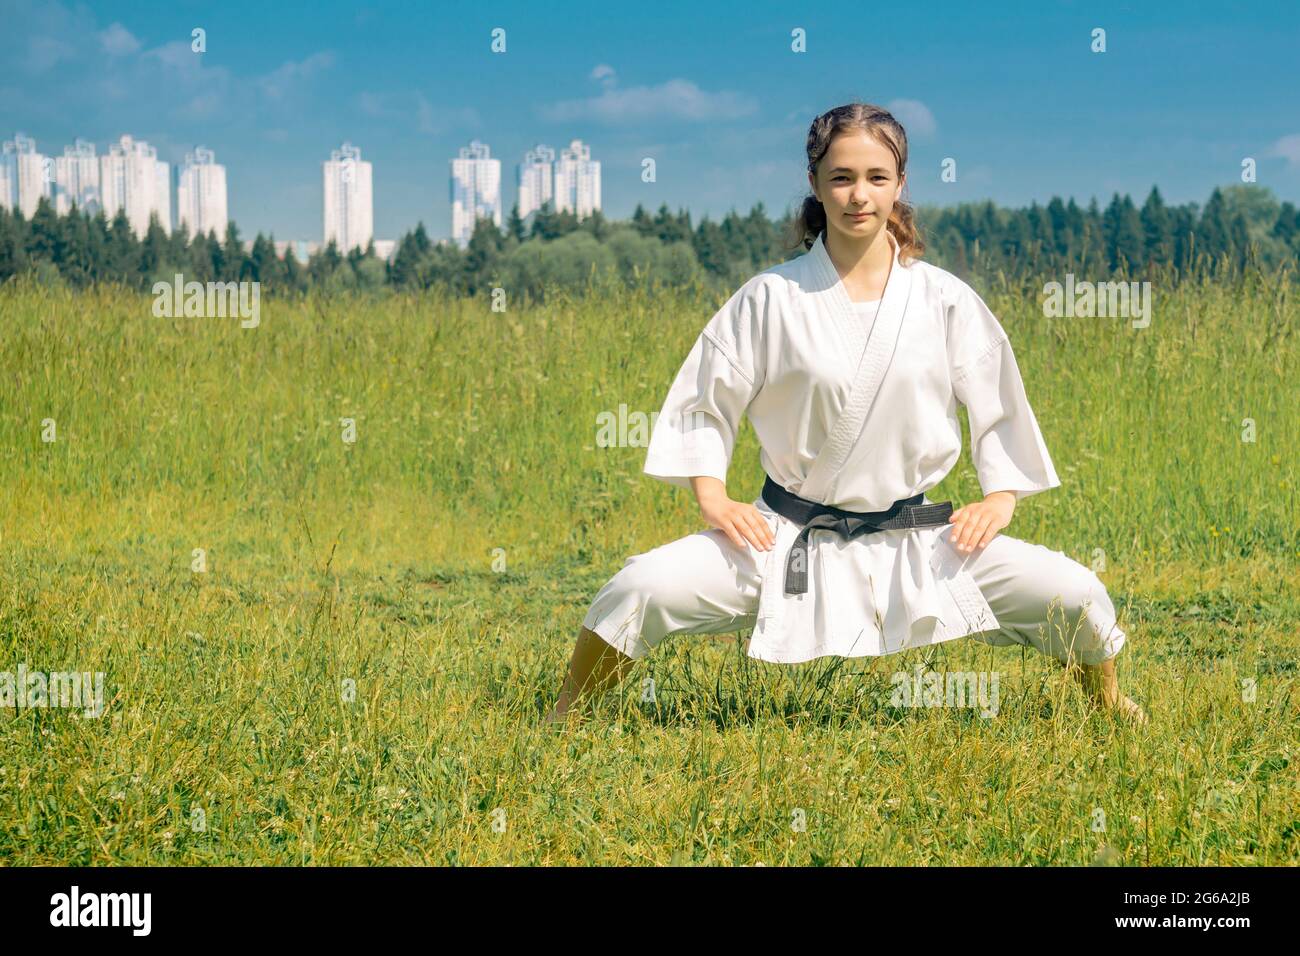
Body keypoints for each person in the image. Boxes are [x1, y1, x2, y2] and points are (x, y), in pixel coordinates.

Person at [546, 102, 1147, 727]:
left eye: (876, 177)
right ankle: (567, 713)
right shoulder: (771, 298)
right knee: (640, 587)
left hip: (917, 539)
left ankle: (1106, 702)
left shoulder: (944, 300)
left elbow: (999, 407)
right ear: (815, 184)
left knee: (1075, 591)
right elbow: (706, 403)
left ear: (900, 184)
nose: (859, 195)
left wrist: (1000, 500)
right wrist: (714, 498)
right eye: (841, 177)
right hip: (787, 537)